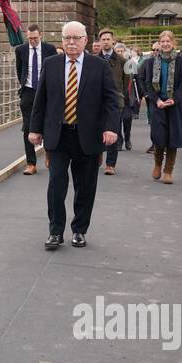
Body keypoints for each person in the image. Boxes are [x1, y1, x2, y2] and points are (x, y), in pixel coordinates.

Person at [28, 21, 120, 250]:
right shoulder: (51, 64)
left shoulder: (98, 66)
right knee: (56, 184)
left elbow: (111, 100)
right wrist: (34, 128)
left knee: (85, 186)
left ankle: (79, 230)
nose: (71, 42)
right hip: (58, 136)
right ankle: (55, 231)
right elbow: (41, 100)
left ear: (85, 41)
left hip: (88, 136)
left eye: (76, 38)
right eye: (67, 38)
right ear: (62, 40)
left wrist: (110, 128)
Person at [138, 30, 182, 184]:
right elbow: (148, 83)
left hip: (174, 104)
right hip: (158, 104)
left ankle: (168, 171)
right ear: (159, 44)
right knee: (159, 137)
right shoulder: (151, 61)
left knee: (173, 138)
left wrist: (175, 99)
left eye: (168, 41)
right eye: (163, 42)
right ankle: (158, 164)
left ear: (173, 43)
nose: (166, 44)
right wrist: (156, 100)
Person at [14, 24, 57, 175]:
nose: (32, 41)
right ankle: (31, 163)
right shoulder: (21, 50)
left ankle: (49, 155)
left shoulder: (49, 49)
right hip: (28, 92)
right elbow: (19, 69)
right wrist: (24, 84)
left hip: (45, 91)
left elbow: (54, 69)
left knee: (47, 124)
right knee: (28, 127)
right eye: (30, 38)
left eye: (35, 38)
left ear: (41, 35)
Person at [96, 29, 126, 175]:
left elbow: (126, 82)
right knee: (97, 131)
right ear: (100, 41)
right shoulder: (94, 60)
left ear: (113, 41)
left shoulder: (122, 60)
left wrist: (123, 99)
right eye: (103, 39)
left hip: (115, 102)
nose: (106, 42)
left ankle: (110, 164)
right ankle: (98, 155)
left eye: (108, 39)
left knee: (113, 130)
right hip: (97, 102)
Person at [120, 44, 140, 151]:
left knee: (127, 120)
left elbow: (137, 80)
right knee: (116, 121)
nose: (120, 53)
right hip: (117, 97)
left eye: (121, 51)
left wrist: (139, 95)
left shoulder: (131, 64)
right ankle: (119, 141)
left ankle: (127, 139)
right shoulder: (115, 64)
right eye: (117, 50)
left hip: (128, 97)